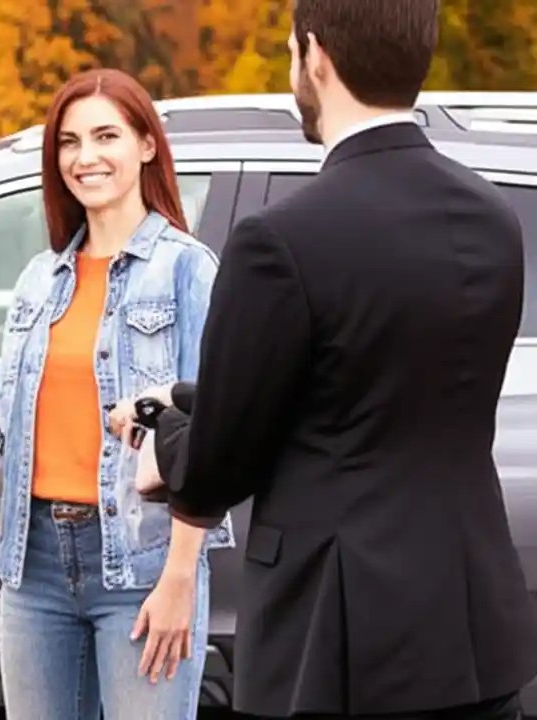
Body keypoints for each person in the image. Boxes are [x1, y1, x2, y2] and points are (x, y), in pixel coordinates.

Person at [119, 1, 537, 718]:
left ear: (315, 56)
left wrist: (163, 437)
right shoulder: (492, 217)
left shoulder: (280, 238)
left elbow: (221, 462)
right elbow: (373, 387)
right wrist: (186, 400)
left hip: (340, 642)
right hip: (472, 632)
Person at [0, 68, 235, 719]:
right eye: (69, 142)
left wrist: (180, 579)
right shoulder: (41, 278)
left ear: (147, 145)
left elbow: (212, 432)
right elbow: (7, 407)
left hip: (141, 566)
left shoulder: (186, 268)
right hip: (34, 569)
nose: (86, 158)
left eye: (106, 136)